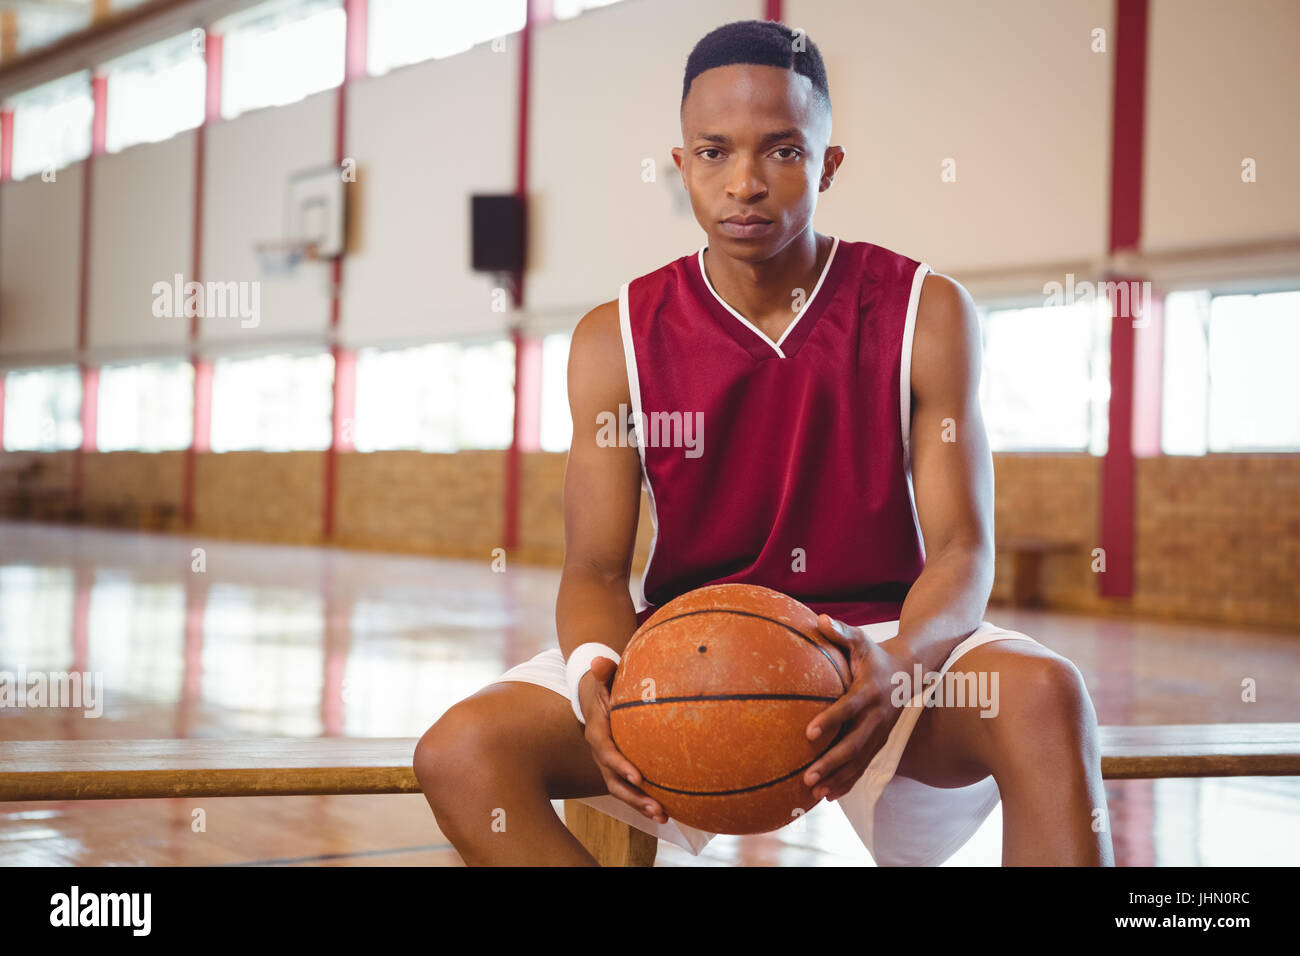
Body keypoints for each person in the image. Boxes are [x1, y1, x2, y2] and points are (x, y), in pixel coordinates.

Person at [414, 18, 1114, 867]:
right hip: (685, 654)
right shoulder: (617, 338)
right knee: (460, 752)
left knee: (1045, 694)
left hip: (880, 644)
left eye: (782, 151)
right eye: (714, 152)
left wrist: (903, 659)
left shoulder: (923, 311)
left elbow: (964, 548)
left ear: (828, 163)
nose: (744, 182)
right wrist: (597, 666)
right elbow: (595, 570)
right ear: (681, 165)